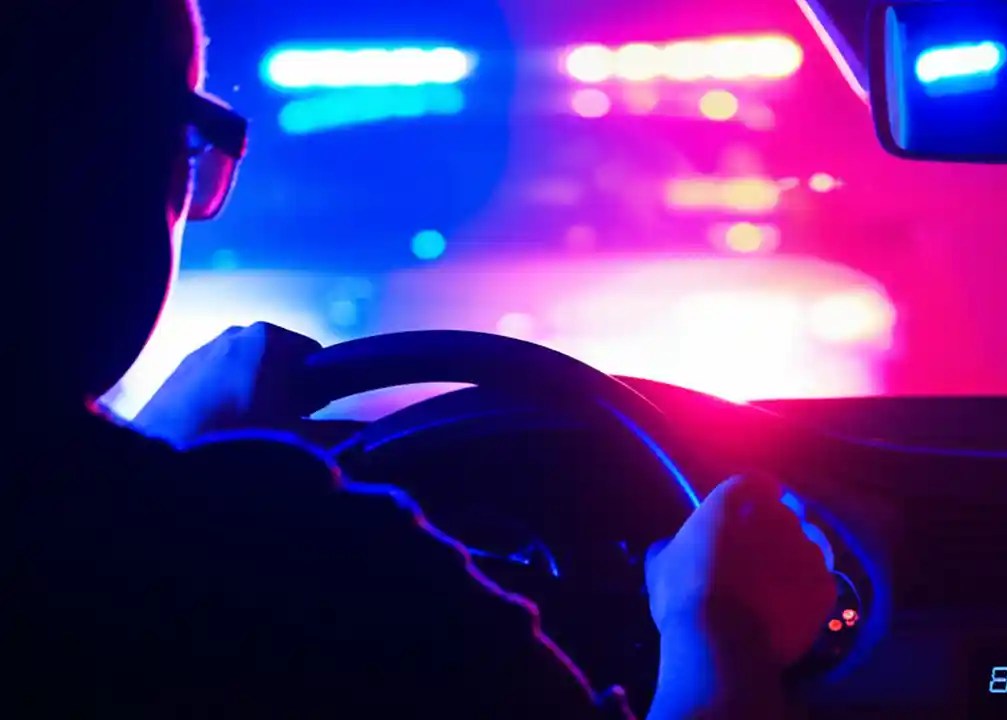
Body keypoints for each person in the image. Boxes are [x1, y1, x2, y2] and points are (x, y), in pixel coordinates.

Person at [3, 1, 834, 718]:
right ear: (88, 158)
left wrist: (156, 451)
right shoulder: (283, 561)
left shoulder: (131, 540)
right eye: (188, 146)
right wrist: (722, 627)